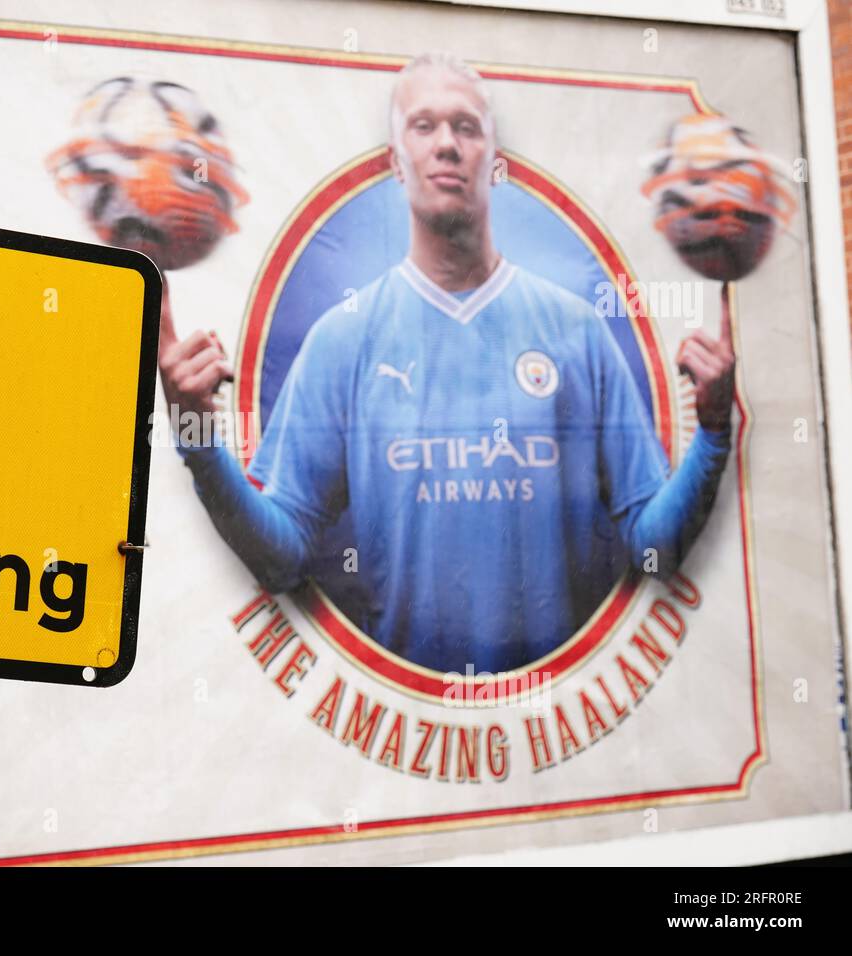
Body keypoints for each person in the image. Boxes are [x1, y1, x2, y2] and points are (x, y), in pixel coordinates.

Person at [157, 52, 736, 674]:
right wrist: (197, 434)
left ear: (496, 162)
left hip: (553, 737)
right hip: (408, 747)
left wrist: (713, 430)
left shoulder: (576, 333)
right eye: (424, 126)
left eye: (466, 127)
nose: (447, 145)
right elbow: (281, 559)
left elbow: (654, 550)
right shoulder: (342, 341)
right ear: (395, 164)